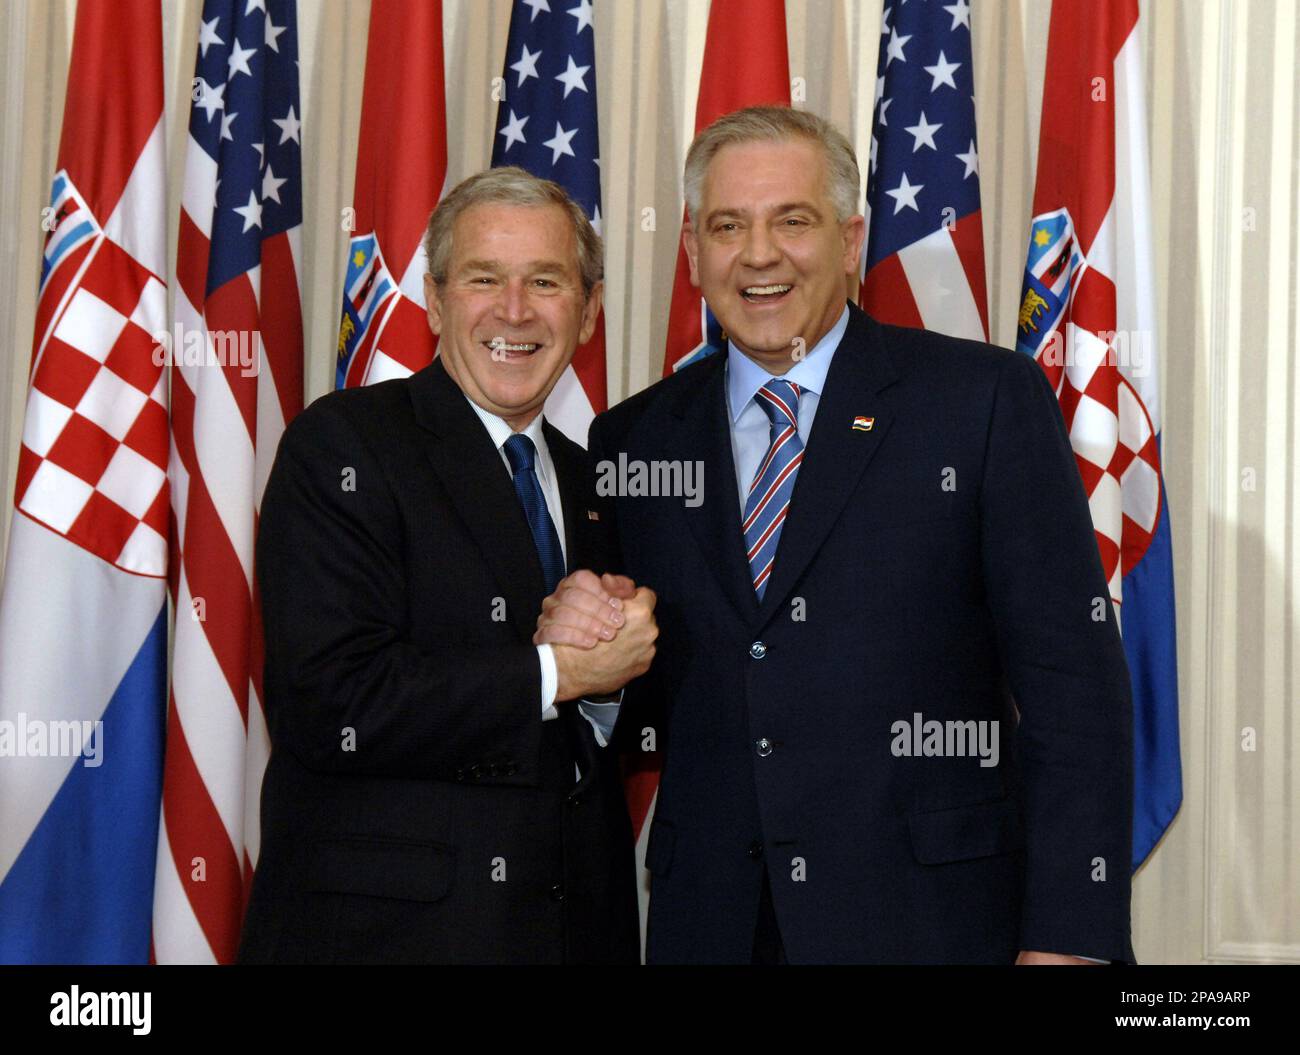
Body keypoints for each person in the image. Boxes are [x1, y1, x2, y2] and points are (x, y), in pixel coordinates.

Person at [538, 107, 1135, 964]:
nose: (759, 254)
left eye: (793, 220)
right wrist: (585, 665)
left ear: (852, 240)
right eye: (728, 226)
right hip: (712, 926)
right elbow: (645, 699)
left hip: (936, 924)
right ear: (692, 251)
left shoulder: (981, 404)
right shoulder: (634, 442)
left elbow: (1074, 693)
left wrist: (1070, 939)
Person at [238, 167, 654, 964]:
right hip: (388, 943)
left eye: (546, 280)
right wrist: (556, 672)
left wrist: (610, 681)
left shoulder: (599, 479)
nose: (515, 310)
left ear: (590, 310)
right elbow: (332, 702)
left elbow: (612, 727)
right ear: (433, 300)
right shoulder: (345, 446)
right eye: (483, 279)